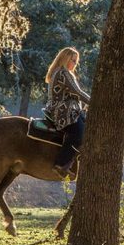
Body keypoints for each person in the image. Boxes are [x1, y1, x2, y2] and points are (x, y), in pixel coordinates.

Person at [44, 47, 90, 178]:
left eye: (76, 62)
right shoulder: (63, 73)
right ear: (65, 59)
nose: (75, 64)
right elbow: (78, 93)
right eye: (73, 60)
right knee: (78, 133)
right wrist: (95, 104)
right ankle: (61, 164)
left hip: (66, 109)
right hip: (63, 111)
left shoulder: (59, 72)